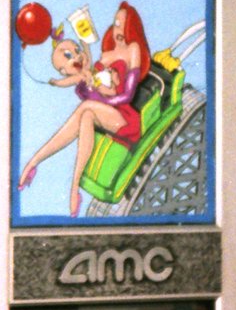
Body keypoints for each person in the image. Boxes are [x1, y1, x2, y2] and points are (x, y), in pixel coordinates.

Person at [18, 15, 144, 216]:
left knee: (87, 108)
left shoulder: (111, 59)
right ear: (63, 70)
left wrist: (104, 89)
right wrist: (56, 82)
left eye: (75, 51)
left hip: (125, 120)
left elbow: (123, 96)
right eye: (68, 57)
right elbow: (67, 81)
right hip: (104, 118)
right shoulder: (86, 75)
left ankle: (64, 182)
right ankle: (46, 170)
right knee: (85, 114)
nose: (76, 56)